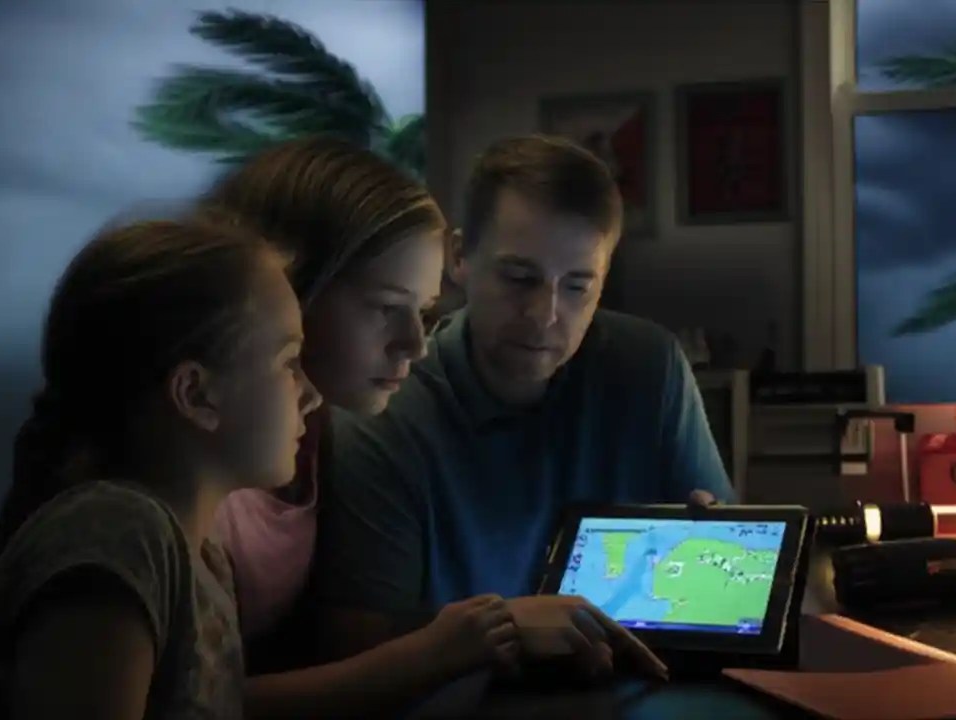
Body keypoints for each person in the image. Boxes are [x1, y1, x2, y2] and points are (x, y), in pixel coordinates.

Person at [195, 136, 663, 715]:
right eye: (386, 307)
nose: (416, 346)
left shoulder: (307, 443)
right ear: (291, 294)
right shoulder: (194, 484)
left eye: (422, 313)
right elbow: (187, 704)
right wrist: (472, 641)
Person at [313, 134, 736, 661]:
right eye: (519, 278)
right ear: (460, 257)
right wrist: (503, 636)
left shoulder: (649, 368)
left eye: (577, 286)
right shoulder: (389, 404)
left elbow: (726, 568)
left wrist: (715, 559)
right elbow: (359, 646)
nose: (545, 315)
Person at [0, 218, 322, 718]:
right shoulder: (121, 534)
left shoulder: (200, 556)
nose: (311, 395)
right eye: (288, 362)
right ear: (196, 394)